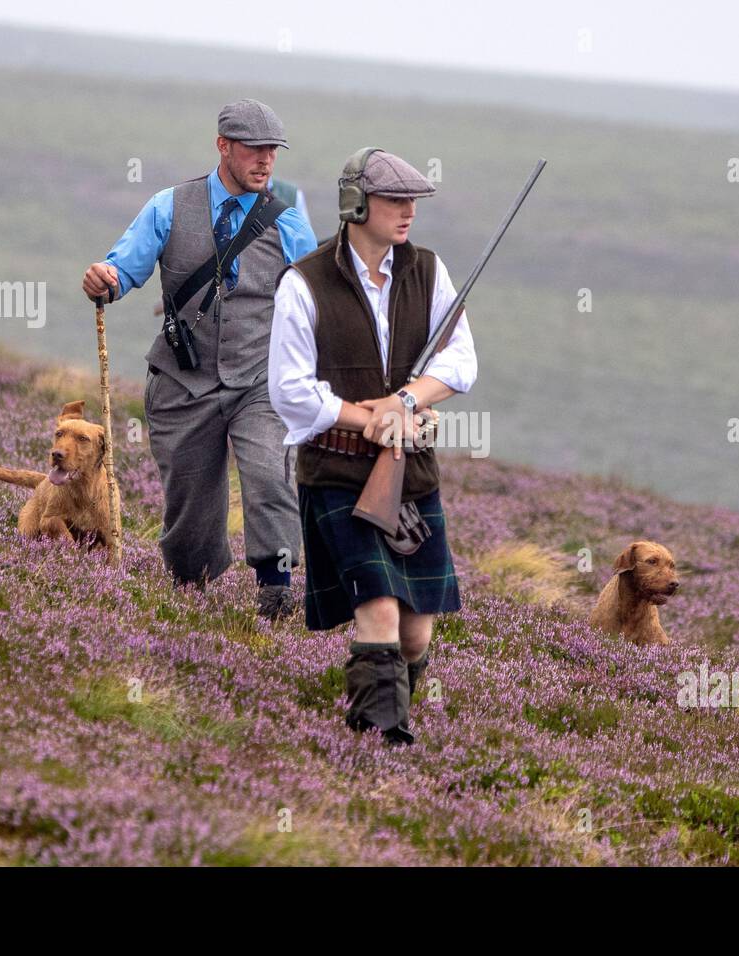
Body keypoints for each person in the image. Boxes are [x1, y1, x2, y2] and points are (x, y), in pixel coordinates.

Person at [268, 148, 478, 743]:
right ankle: (380, 739)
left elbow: (461, 361)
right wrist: (367, 418)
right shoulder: (304, 283)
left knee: (416, 633)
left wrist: (405, 402)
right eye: (394, 200)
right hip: (335, 472)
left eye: (413, 200)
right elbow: (288, 392)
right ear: (356, 203)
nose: (408, 211)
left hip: (411, 474)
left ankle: (390, 715)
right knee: (380, 609)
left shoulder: (430, 271)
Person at [81, 99, 317, 619]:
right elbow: (125, 267)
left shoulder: (289, 219)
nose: (265, 162)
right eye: (254, 150)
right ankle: (193, 596)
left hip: (259, 378)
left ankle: (276, 592)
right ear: (223, 146)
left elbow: (320, 296)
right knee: (190, 510)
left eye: (273, 152)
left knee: (269, 474)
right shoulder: (169, 205)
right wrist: (106, 279)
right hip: (181, 381)